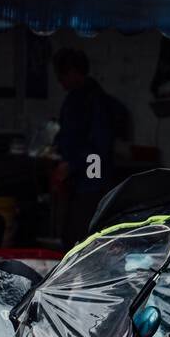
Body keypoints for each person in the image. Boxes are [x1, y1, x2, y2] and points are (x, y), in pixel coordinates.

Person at [52, 48, 128, 250]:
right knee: (71, 231)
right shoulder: (73, 99)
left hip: (90, 181)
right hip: (78, 179)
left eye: (62, 74)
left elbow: (98, 147)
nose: (60, 80)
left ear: (75, 72)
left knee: (84, 232)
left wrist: (79, 169)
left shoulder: (94, 100)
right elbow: (69, 134)